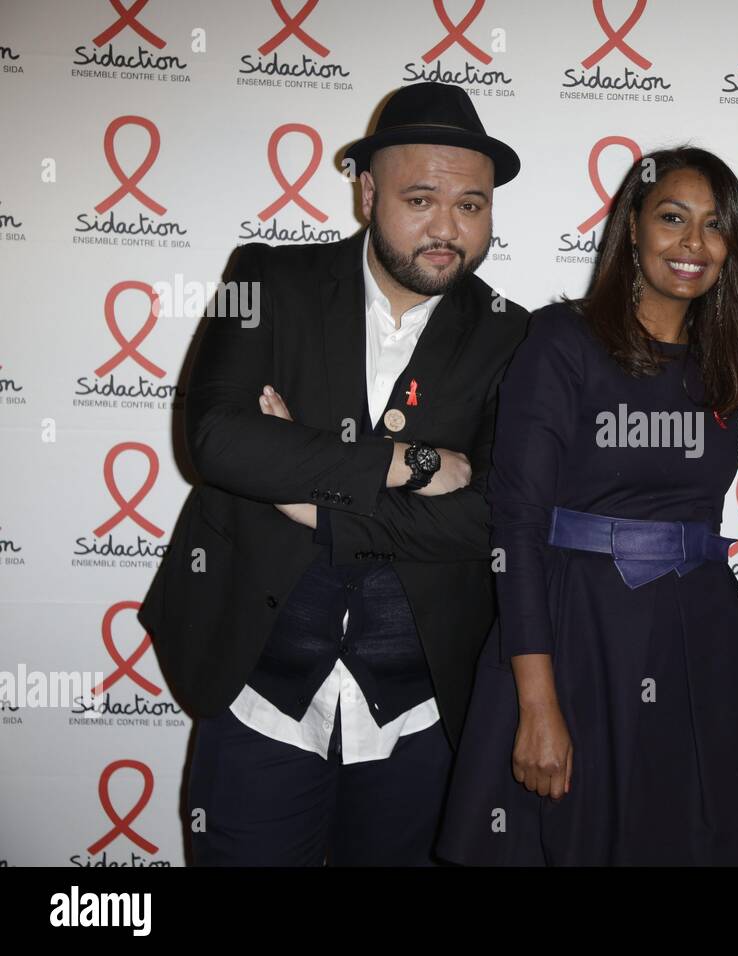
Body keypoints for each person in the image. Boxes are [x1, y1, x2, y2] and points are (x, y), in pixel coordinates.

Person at [138, 82, 529, 865]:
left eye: (471, 206)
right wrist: (407, 464)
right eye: (420, 198)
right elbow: (216, 440)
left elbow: (485, 517)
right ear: (365, 190)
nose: (446, 228)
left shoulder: (513, 335)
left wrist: (301, 492)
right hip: (256, 693)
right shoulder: (264, 278)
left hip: (418, 715)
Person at [437, 147, 738, 866]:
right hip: (580, 641)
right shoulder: (563, 340)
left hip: (703, 640)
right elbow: (518, 523)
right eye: (671, 218)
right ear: (632, 227)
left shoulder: (723, 359)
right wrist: (537, 704)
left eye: (714, 226)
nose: (693, 243)